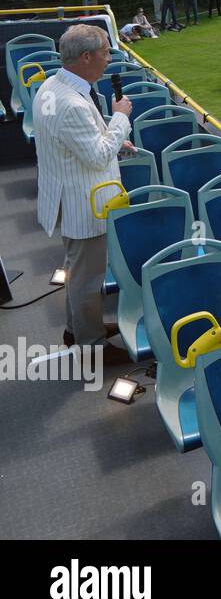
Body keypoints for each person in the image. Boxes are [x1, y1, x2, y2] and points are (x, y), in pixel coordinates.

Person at [32, 25, 134, 362]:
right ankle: (91, 346)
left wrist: (112, 133)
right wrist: (119, 122)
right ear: (86, 56)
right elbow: (96, 156)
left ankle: (76, 328)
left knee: (77, 269)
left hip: (65, 194)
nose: (109, 57)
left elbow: (75, 136)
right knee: (88, 278)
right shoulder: (72, 101)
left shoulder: (51, 86)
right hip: (83, 202)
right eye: (105, 51)